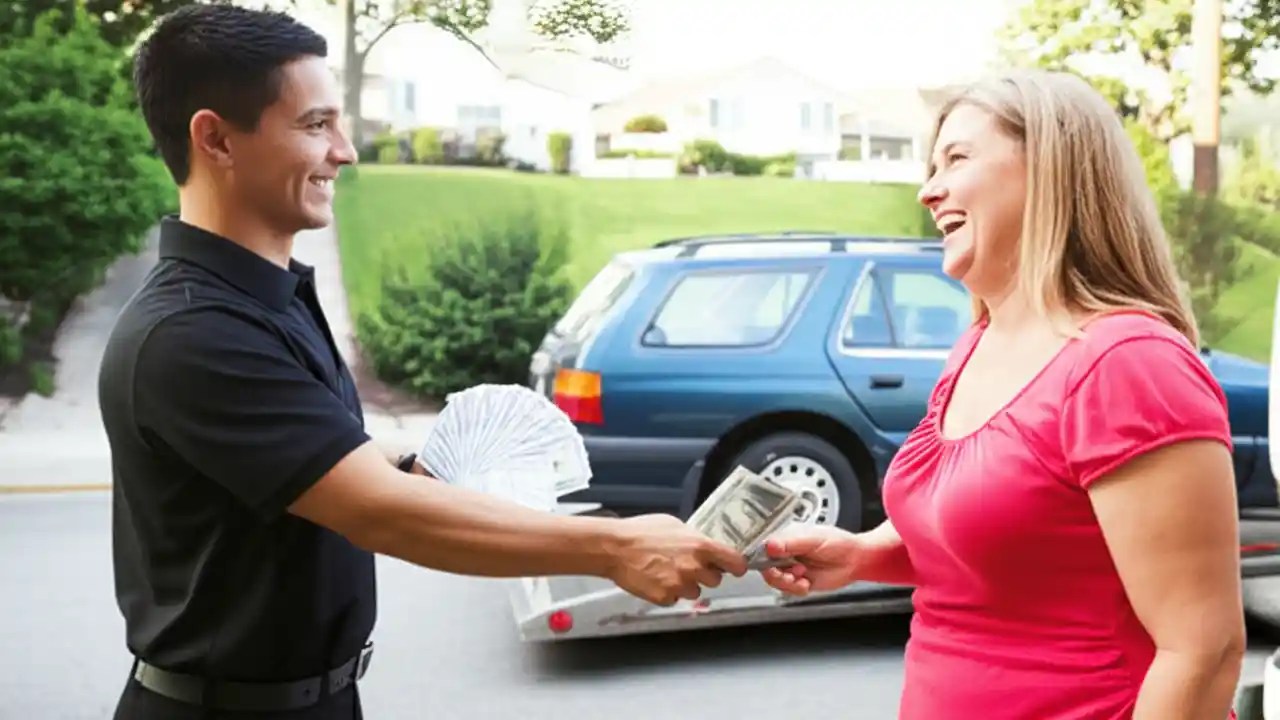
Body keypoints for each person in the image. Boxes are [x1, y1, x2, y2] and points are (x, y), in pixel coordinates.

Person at [99, 6, 746, 719]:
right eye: (315, 125)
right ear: (216, 139)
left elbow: (315, 461)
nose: (345, 151)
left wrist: (413, 466)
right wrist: (615, 546)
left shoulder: (266, 300)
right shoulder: (195, 332)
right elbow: (382, 514)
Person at [761, 69, 1246, 720]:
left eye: (957, 159)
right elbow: (1007, 535)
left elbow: (1204, 653)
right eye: (932, 167)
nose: (928, 190)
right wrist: (865, 554)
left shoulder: (1127, 363)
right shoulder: (978, 346)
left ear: (1050, 171)